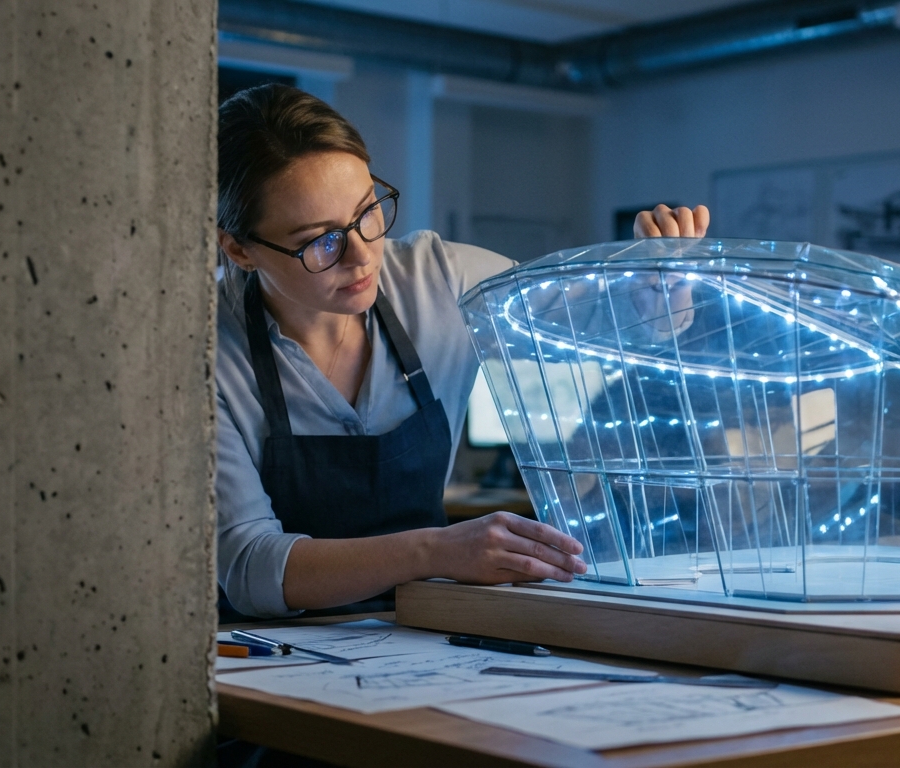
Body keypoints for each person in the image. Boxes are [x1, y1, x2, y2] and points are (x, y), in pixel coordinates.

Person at [214, 84, 709, 620]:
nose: (362, 256)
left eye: (368, 211)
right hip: (271, 650)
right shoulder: (203, 351)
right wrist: (435, 551)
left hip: (423, 627)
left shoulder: (441, 281)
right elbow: (250, 568)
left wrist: (659, 282)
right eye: (320, 240)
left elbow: (615, 320)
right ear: (239, 249)